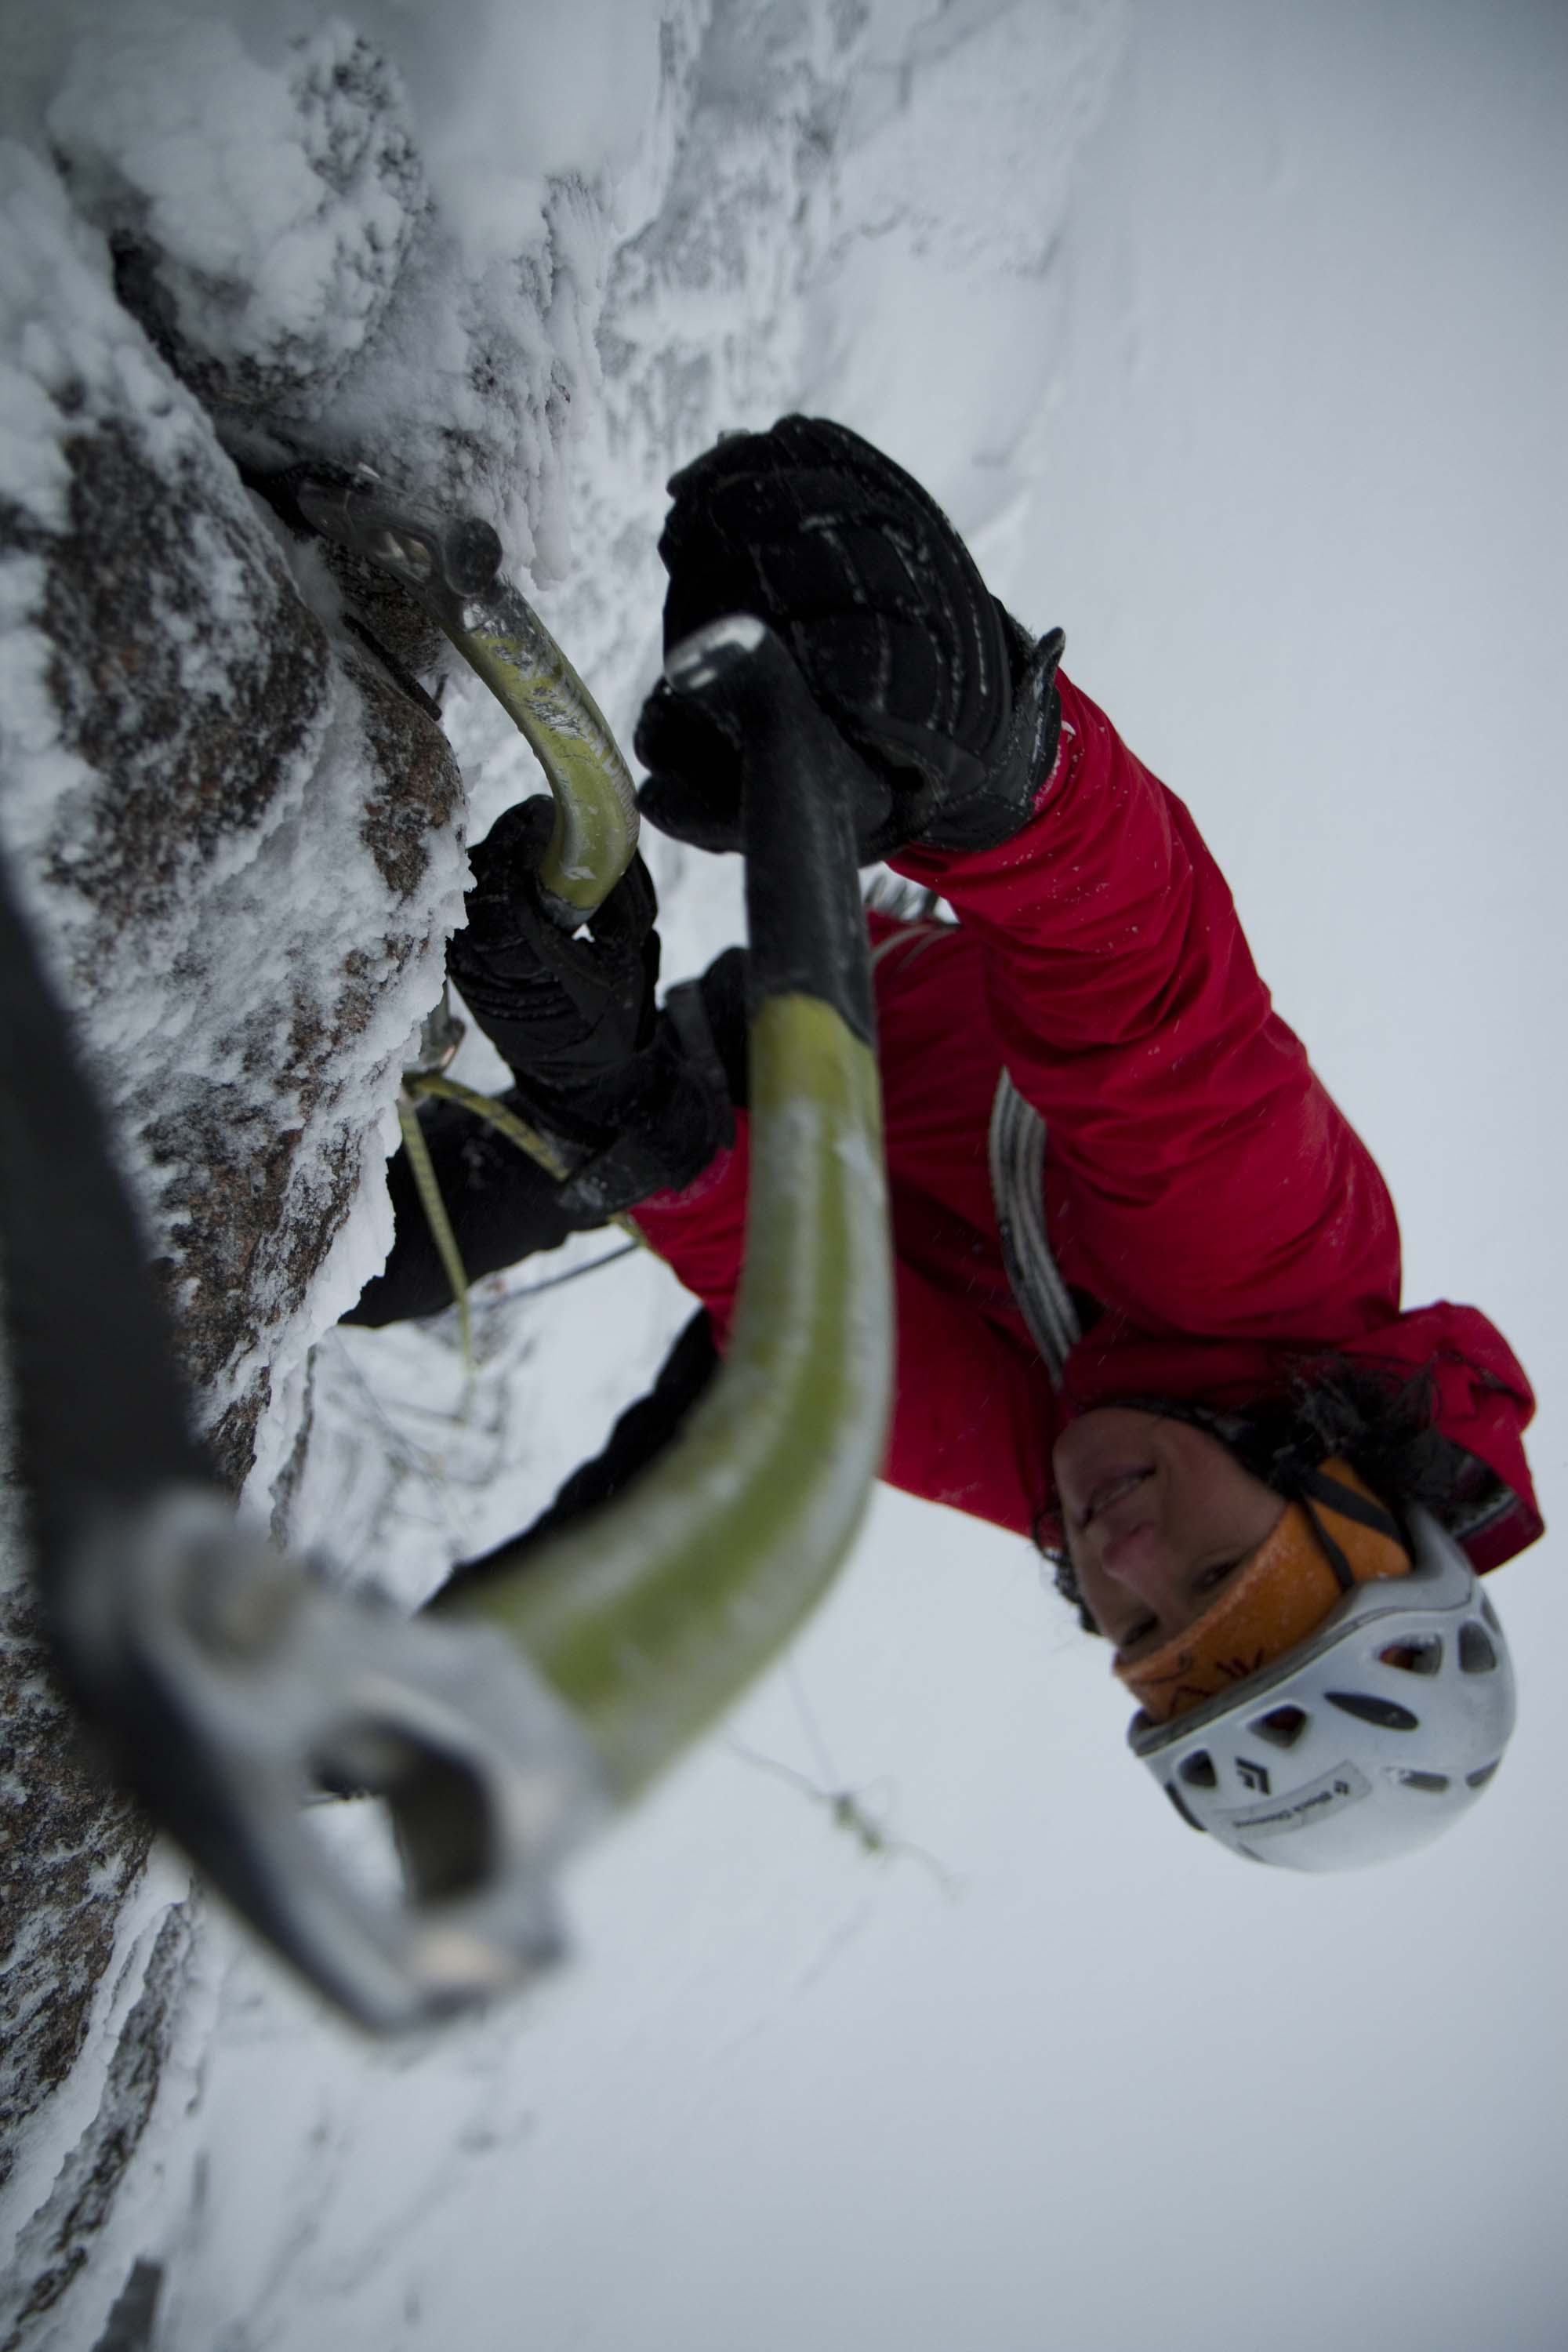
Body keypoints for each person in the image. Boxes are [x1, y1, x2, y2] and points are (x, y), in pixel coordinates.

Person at [348, 416, 1541, 1870]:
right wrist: (1003, 773)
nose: (1128, 1564)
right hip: (802, 1040)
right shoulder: (1277, 1280)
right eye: (1222, 1572)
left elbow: (835, 1372)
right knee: (414, 1255)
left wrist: (636, 1129)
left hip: (777, 1188)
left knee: (498, 1349)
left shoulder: (1085, 1483)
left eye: (1147, 1636)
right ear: (1342, 1497)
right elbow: (1151, 1005)